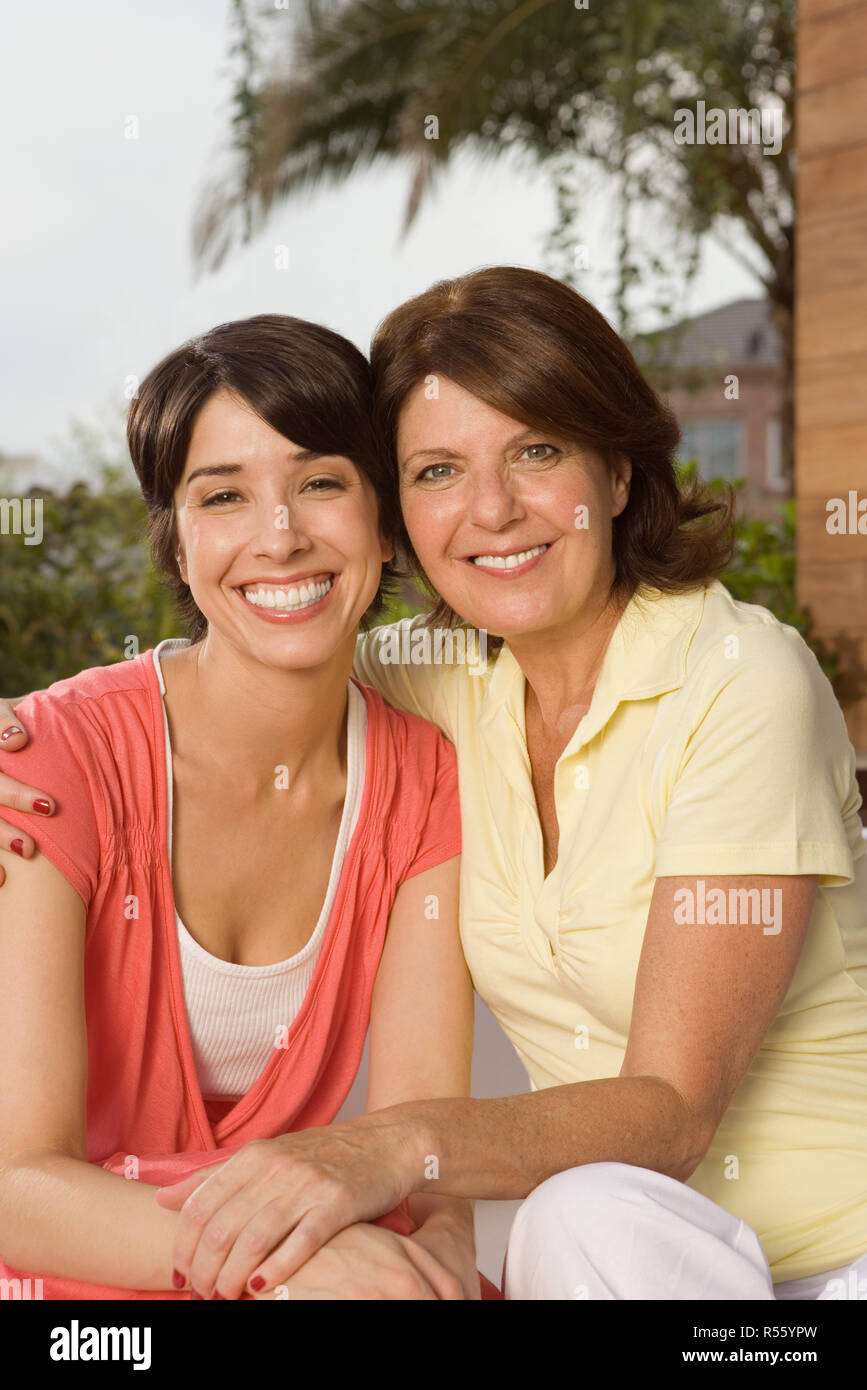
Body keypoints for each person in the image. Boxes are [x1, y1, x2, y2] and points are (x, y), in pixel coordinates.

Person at [3, 268, 866, 1301]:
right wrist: (31, 738)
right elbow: (261, 646)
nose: (492, 510)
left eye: (537, 451)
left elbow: (673, 1111)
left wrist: (382, 1156)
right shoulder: (442, 684)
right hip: (629, 1253)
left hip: (831, 1257)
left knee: (579, 1211)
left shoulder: (740, 680)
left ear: (620, 473)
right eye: (441, 469)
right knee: (580, 1216)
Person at [0, 312, 500, 1302]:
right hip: (84, 1264)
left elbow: (421, 1141)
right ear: (178, 547)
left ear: (384, 523)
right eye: (223, 496)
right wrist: (293, 1264)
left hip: (309, 1254)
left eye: (320, 482)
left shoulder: (422, 780)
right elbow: (19, 1189)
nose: (281, 536)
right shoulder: (57, 760)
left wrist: (440, 1259)